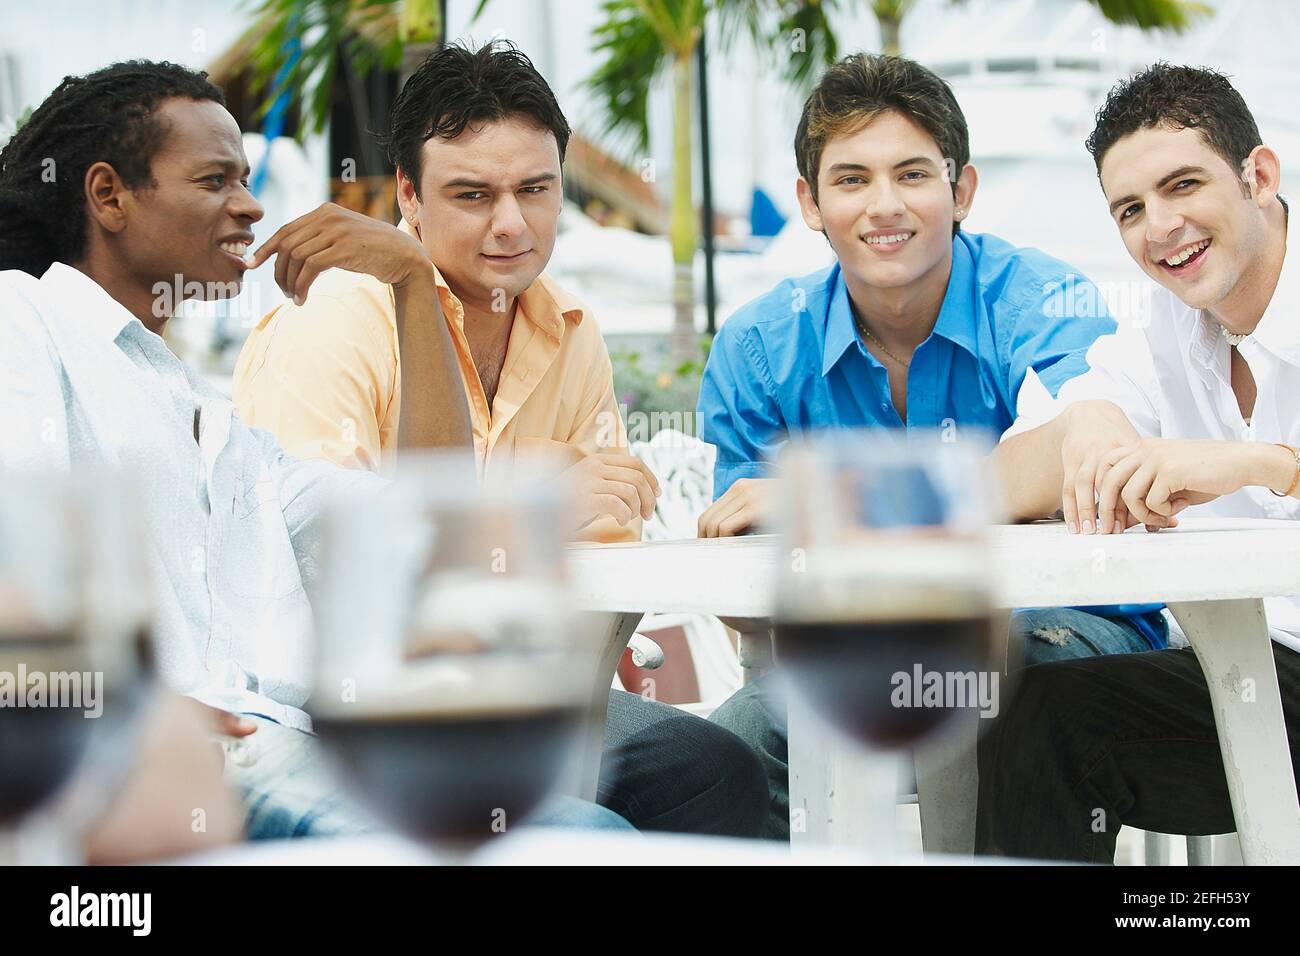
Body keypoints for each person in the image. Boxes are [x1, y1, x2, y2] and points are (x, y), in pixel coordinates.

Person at [0, 59, 633, 843]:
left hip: (301, 747)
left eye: (245, 178)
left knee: (614, 822)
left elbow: (421, 527)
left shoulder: (217, 427)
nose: (251, 204)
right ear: (109, 196)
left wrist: (410, 281)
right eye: (214, 181)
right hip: (172, 763)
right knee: (590, 844)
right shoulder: (25, 322)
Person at [232, 42, 768, 838]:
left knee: (719, 771)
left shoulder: (570, 327)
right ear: (410, 199)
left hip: (508, 676)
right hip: (340, 697)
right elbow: (328, 567)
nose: (512, 223)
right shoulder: (338, 318)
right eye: (473, 194)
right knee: (590, 821)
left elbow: (611, 531)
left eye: (536, 189)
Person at [695, 53, 1166, 839]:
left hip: (1065, 630)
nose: (885, 207)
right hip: (850, 658)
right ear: (810, 203)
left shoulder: (1043, 298)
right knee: (715, 761)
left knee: (1017, 689)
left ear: (962, 190)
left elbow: (1088, 445)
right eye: (851, 180)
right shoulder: (756, 348)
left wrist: (827, 501)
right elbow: (747, 591)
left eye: (913, 174)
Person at [978, 62, 1300, 862]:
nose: (1160, 226)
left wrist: (1262, 463)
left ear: (1258, 174)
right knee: (1041, 718)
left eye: (1182, 185)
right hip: (1256, 680)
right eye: (1130, 209)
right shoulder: (1161, 330)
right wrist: (1082, 421)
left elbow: (1248, 467)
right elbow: (999, 485)